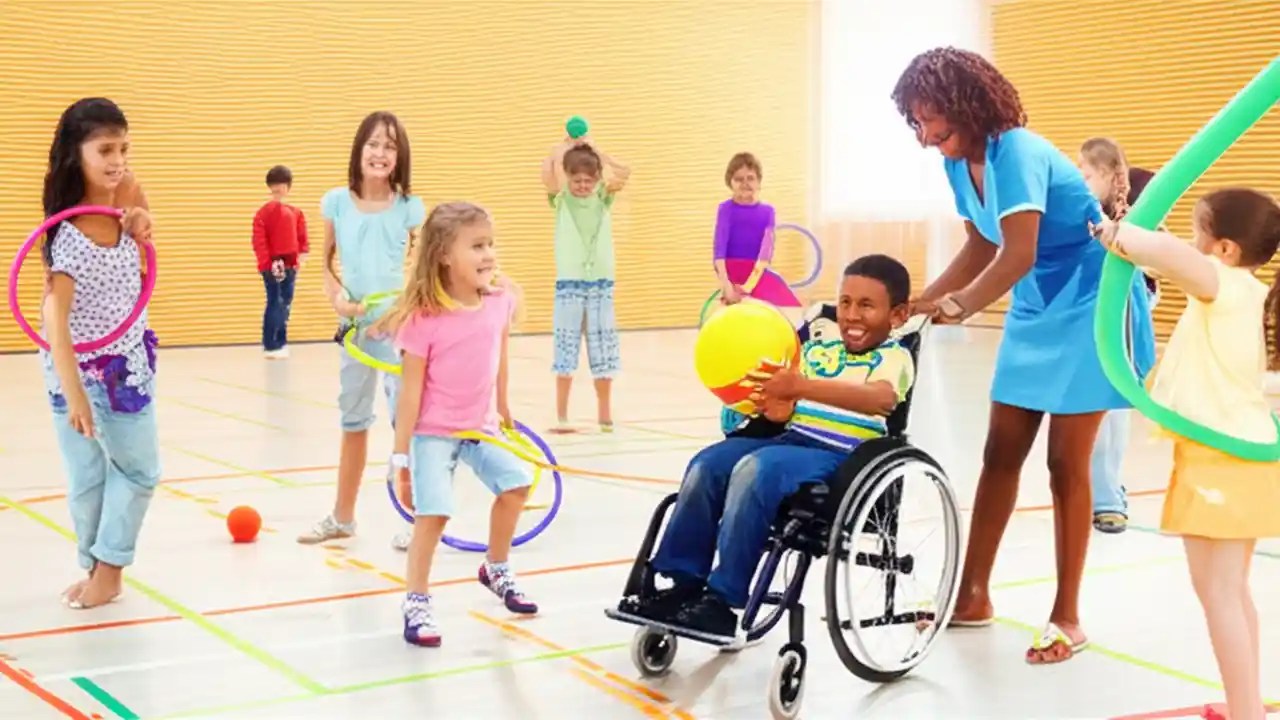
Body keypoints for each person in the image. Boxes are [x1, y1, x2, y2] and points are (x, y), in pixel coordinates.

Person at [890, 47, 1156, 664]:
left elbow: (1017, 252)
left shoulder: (1021, 151)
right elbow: (984, 240)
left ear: (969, 105)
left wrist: (962, 306)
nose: (927, 137)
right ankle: (974, 594)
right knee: (1000, 449)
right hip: (1038, 303)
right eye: (917, 124)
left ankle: (1068, 616)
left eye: (935, 121)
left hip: (1092, 297)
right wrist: (928, 298)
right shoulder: (960, 162)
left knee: (1068, 463)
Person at [621, 255, 915, 639]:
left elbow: (880, 400)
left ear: (897, 315)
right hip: (789, 438)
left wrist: (801, 388)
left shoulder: (894, 357)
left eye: (866, 306)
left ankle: (722, 601)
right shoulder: (818, 345)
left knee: (755, 470)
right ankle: (683, 581)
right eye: (845, 303)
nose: (851, 315)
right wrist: (778, 410)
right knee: (707, 465)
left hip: (840, 456)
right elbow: (785, 402)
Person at [1095, 188, 1280, 720]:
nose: (1192, 244)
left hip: (1221, 460)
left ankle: (1247, 712)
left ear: (1224, 248)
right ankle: (1247, 705)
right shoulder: (1242, 287)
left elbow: (1161, 252)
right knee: (1231, 592)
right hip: (1230, 457)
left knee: (1219, 595)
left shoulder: (1219, 281)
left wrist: (1114, 234)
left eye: (1200, 233)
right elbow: (1172, 250)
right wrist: (1140, 238)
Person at [375, 202, 537, 647]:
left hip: (480, 425)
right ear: (445, 255)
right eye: (477, 246)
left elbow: (499, 356)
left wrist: (504, 408)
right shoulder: (424, 319)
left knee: (517, 484)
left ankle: (495, 568)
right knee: (435, 512)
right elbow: (409, 392)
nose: (489, 255)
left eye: (491, 244)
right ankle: (417, 599)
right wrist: (401, 455)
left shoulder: (499, 301)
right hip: (433, 430)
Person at [40, 97, 159, 609]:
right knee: (98, 473)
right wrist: (76, 398)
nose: (118, 161)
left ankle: (103, 569)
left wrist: (141, 221)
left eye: (123, 148)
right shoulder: (66, 237)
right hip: (78, 369)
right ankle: (100, 569)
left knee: (132, 469)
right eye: (105, 150)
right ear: (76, 155)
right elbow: (53, 322)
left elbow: (143, 224)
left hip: (126, 361)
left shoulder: (125, 190)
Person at [296, 111, 425, 550]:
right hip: (354, 330)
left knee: (404, 423)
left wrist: (398, 312)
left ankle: (416, 517)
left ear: (399, 156)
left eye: (390, 146)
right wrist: (338, 301)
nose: (380, 153)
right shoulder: (335, 202)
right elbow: (327, 265)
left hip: (398, 328)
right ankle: (342, 517)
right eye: (373, 144)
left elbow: (419, 272)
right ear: (359, 150)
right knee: (353, 420)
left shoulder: (409, 208)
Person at [1077, 138, 1159, 533]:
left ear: (1110, 174)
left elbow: (1157, 268)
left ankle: (1108, 496)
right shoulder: (1078, 213)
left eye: (1088, 174)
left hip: (1123, 323)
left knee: (1112, 414)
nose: (1082, 180)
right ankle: (1090, 491)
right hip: (1082, 322)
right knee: (1084, 412)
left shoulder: (1138, 216)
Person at [540, 136, 630, 433]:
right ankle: (562, 415)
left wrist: (596, 151)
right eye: (576, 180)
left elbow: (625, 172)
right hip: (570, 283)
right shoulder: (562, 199)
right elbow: (547, 173)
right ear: (568, 178)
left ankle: (605, 415)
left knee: (602, 347)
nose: (582, 185)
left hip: (600, 284)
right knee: (565, 346)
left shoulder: (603, 196)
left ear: (596, 179)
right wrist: (564, 147)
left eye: (587, 180)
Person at [713, 152, 802, 313]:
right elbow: (719, 252)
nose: (745, 183)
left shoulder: (767, 211)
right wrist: (727, 286)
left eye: (750, 178)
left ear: (759, 181)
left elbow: (765, 253)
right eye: (739, 179)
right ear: (730, 182)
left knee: (790, 309)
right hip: (731, 274)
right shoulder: (725, 209)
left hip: (757, 273)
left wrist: (748, 287)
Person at [251, 164, 308, 359]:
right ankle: (270, 343)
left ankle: (281, 342)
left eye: (281, 186)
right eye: (274, 188)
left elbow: (302, 238)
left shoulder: (296, 213)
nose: (278, 191)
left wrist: (301, 257)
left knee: (286, 302)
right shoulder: (264, 213)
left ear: (288, 187)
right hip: (273, 263)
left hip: (290, 264)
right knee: (275, 301)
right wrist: (266, 263)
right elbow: (259, 240)